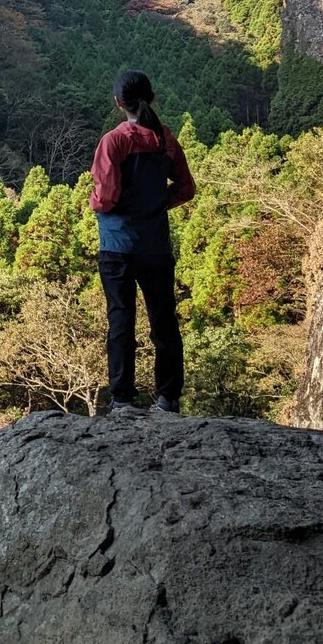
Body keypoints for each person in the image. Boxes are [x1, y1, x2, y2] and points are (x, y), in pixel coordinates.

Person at [89, 69, 195, 413]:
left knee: (121, 321)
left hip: (117, 246)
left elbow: (106, 197)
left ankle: (122, 400)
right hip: (156, 246)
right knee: (164, 320)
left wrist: (94, 203)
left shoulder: (114, 141)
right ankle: (168, 398)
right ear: (152, 98)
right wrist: (156, 202)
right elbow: (185, 189)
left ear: (118, 103)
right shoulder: (165, 140)